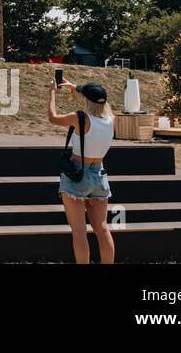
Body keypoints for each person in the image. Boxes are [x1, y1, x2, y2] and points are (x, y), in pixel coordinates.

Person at [49, 77, 116, 264]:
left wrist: (52, 93)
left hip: (77, 173)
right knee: (102, 229)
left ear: (85, 100)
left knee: (79, 231)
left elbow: (52, 117)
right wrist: (73, 87)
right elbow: (93, 103)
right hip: (100, 174)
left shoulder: (79, 118)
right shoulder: (111, 119)